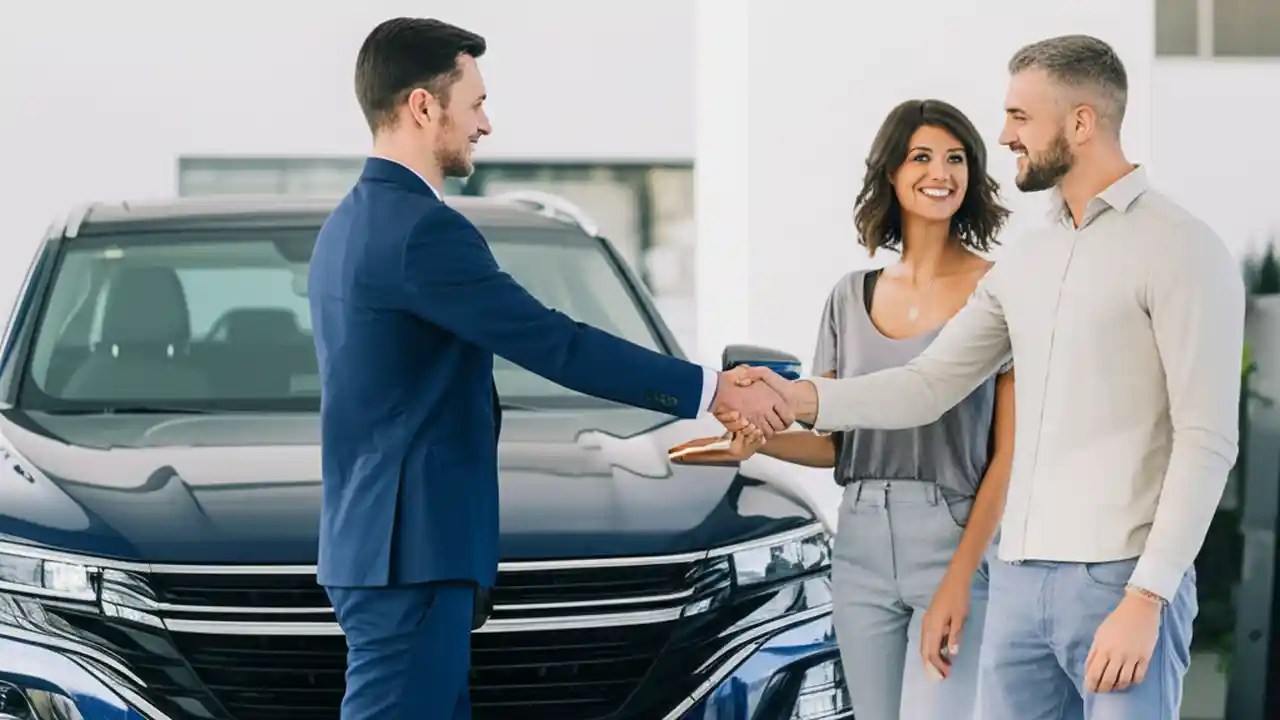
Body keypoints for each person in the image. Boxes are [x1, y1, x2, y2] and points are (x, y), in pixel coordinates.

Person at [733, 35, 1244, 719]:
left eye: (1020, 117)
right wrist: (794, 396)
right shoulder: (1028, 259)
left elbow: (1207, 439)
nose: (1004, 136)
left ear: (1081, 122)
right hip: (1017, 586)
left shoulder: (1182, 247)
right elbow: (927, 383)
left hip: (1119, 583)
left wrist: (1149, 595)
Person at [307, 17, 788, 720]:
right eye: (474, 104)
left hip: (384, 546)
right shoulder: (422, 231)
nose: (485, 124)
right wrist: (711, 390)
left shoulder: (347, 224)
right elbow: (551, 341)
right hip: (410, 553)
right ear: (421, 106)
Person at [674, 99, 1015, 720]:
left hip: (953, 535)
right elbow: (833, 443)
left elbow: (1007, 455)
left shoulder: (999, 289)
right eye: (921, 157)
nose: (940, 172)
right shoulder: (849, 296)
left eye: (956, 158)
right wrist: (757, 437)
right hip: (858, 539)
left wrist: (962, 576)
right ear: (891, 172)